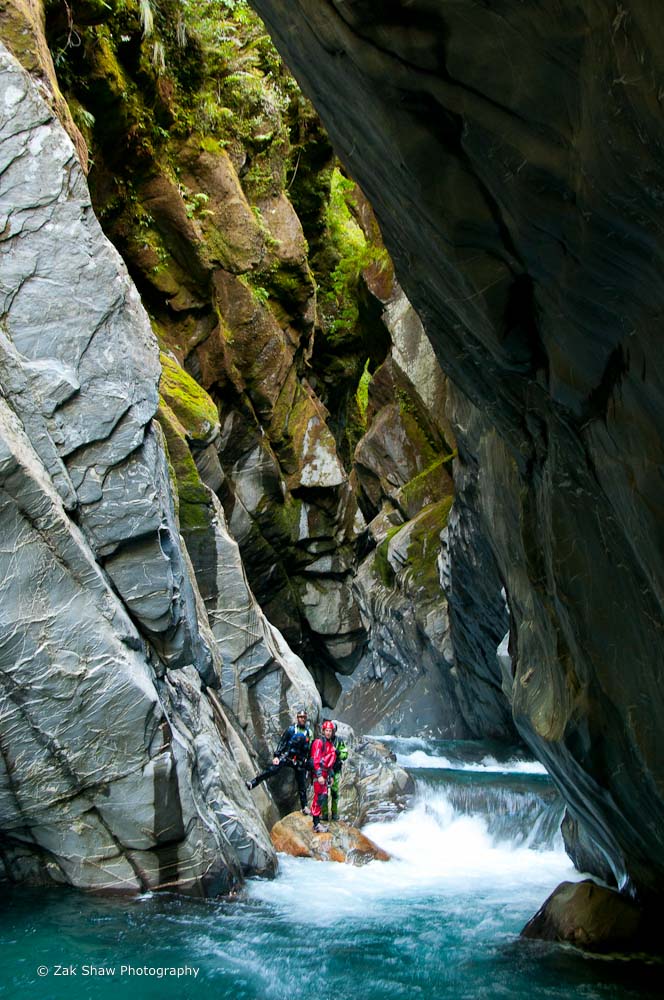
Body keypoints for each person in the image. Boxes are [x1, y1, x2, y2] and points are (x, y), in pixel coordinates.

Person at [246, 709, 313, 813]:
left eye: (304, 718)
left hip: (300, 760)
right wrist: (277, 756)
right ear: (297, 718)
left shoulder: (309, 732)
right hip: (288, 757)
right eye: (300, 717)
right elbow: (282, 743)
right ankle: (253, 783)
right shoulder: (291, 730)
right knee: (272, 770)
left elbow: (310, 747)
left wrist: (308, 762)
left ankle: (304, 806)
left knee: (301, 783)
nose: (302, 719)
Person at [309, 719, 337, 833]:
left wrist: (331, 776)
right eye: (327, 730)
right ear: (323, 731)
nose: (328, 733)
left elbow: (330, 763)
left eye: (330, 731)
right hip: (318, 774)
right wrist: (319, 775)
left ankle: (317, 821)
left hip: (325, 774)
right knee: (319, 796)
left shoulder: (330, 744)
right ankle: (316, 823)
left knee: (323, 796)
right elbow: (316, 760)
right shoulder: (319, 742)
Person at [324, 721, 348, 822]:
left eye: (332, 730)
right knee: (324, 793)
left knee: (334, 792)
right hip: (325, 770)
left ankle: (334, 813)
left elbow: (345, 755)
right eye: (328, 730)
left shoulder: (339, 741)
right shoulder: (322, 741)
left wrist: (337, 752)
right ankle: (324, 813)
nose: (330, 732)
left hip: (335, 770)